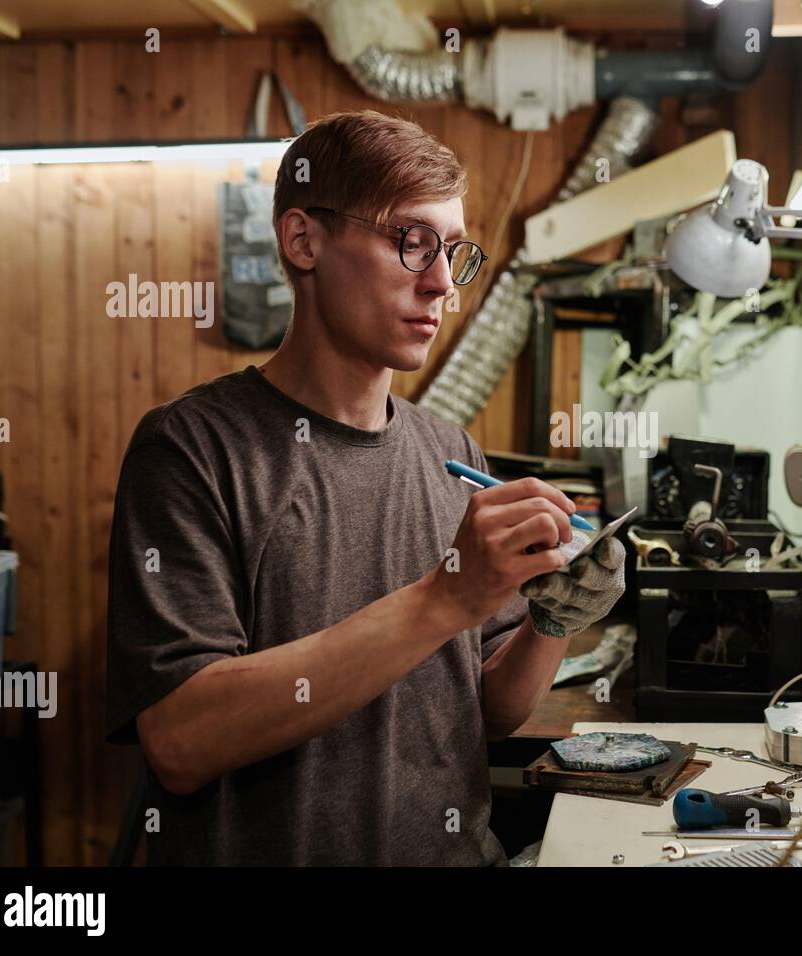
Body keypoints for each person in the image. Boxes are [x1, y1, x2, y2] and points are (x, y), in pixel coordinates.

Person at [105, 110, 626, 865]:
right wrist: (443, 597)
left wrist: (553, 619)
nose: (443, 283)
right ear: (303, 240)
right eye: (412, 242)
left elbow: (489, 712)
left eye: (454, 253)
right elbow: (181, 740)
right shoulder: (191, 450)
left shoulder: (451, 453)